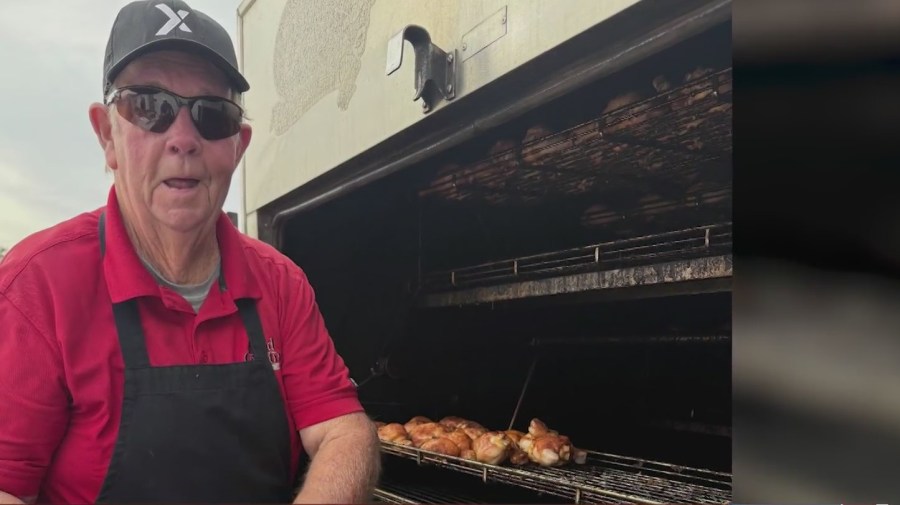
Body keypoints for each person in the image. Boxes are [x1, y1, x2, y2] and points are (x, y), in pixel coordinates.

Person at [0, 1, 380, 503]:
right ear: (106, 134)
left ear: (238, 146)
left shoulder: (280, 283)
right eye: (149, 106)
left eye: (211, 115)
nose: (183, 138)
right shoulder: (36, 286)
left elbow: (344, 431)